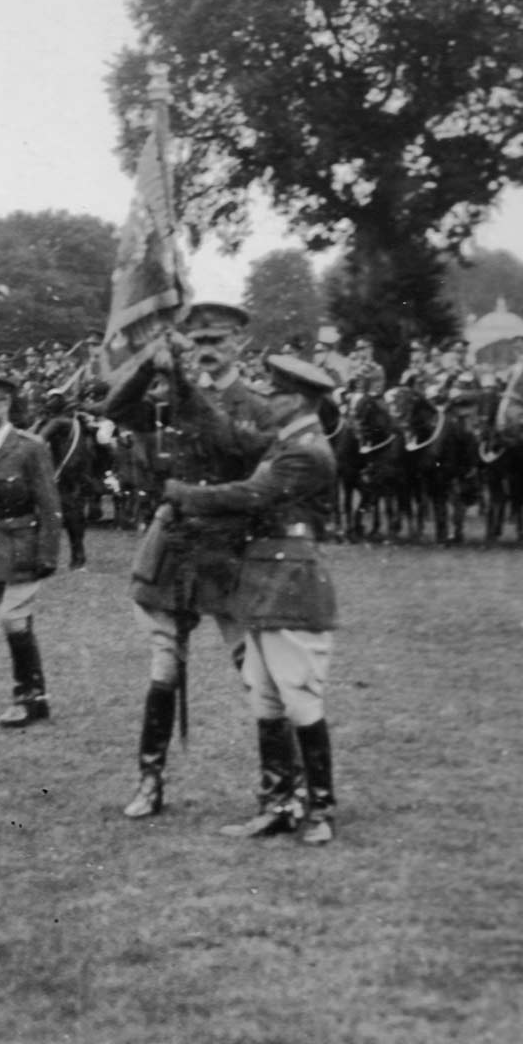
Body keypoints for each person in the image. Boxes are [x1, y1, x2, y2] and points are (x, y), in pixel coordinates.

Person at [162, 355, 341, 845]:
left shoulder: (307, 451)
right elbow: (228, 436)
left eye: (275, 392)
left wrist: (185, 495)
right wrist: (181, 379)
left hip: (292, 582)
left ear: (297, 399)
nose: (266, 397)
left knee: (299, 696)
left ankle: (319, 808)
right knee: (265, 695)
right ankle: (278, 804)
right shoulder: (286, 443)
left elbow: (252, 494)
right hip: (266, 578)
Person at [104, 302, 274, 818]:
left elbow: (236, 450)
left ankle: (277, 785)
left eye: (217, 341)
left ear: (239, 345)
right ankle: (150, 780)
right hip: (175, 544)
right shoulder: (171, 397)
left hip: (228, 547)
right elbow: (117, 410)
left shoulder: (258, 407)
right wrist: (146, 365)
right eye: (197, 341)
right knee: (164, 665)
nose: (207, 350)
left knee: (255, 669)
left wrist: (183, 383)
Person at [0, 373, 62, 728]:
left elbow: (49, 504)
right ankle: (38, 697)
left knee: (12, 618)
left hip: (23, 544)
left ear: (6, 404)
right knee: (16, 623)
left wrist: (48, 554)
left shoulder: (30, 447)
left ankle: (25, 696)